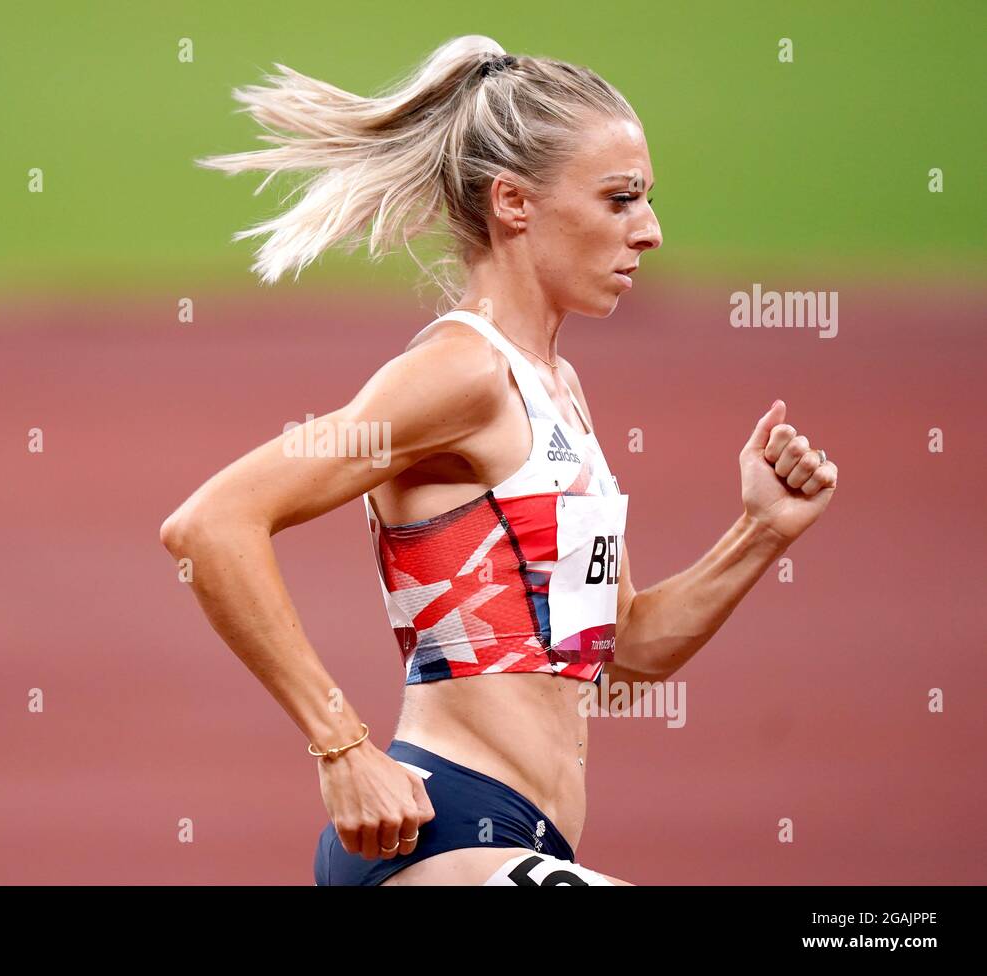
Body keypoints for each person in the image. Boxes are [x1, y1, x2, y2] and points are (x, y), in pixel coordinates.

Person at [161, 36, 838, 885]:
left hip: (530, 840)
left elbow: (623, 652)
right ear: (514, 202)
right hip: (436, 831)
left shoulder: (559, 390)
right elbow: (211, 524)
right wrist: (341, 748)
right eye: (620, 199)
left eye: (648, 200)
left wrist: (759, 533)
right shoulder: (460, 373)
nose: (652, 231)